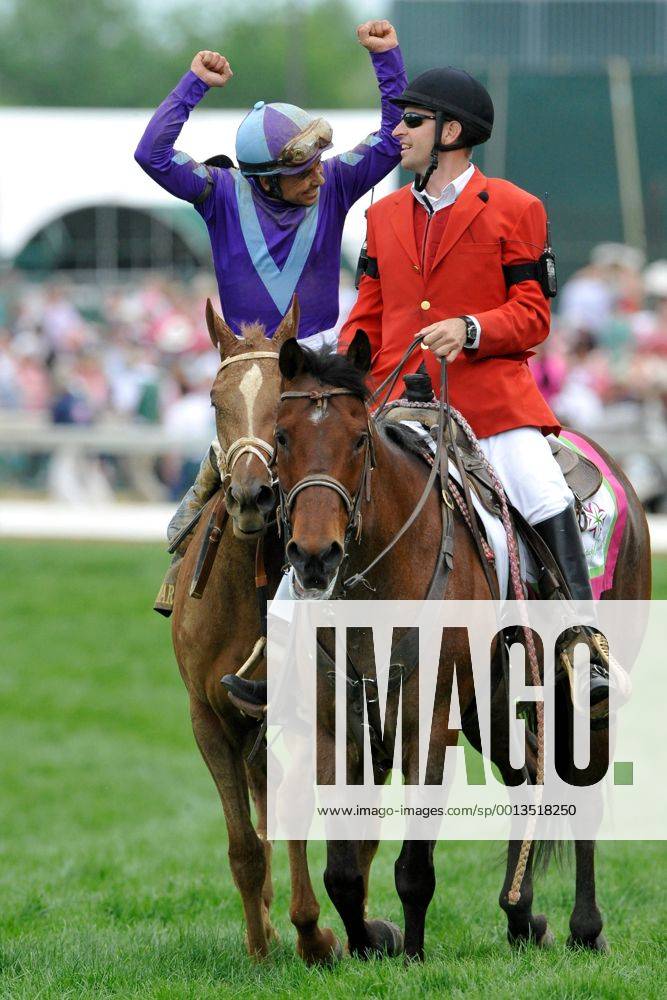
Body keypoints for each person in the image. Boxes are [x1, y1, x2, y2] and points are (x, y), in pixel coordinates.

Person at [337, 66, 611, 711]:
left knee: (542, 491)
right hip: (397, 399)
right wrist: (339, 378)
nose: (396, 132)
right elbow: (368, 315)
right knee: (319, 494)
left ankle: (581, 644)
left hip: (489, 401)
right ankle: (282, 653)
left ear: (450, 132)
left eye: (411, 121)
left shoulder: (517, 208)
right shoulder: (384, 215)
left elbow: (534, 315)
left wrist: (471, 328)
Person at [134, 21, 407, 615]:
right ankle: (187, 559)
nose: (317, 175)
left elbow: (391, 141)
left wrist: (386, 58)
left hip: (323, 368)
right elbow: (150, 153)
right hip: (253, 367)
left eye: (317, 163)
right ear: (262, 179)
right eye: (301, 169)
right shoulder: (218, 193)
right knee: (245, 472)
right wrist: (193, 85)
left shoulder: (334, 183)